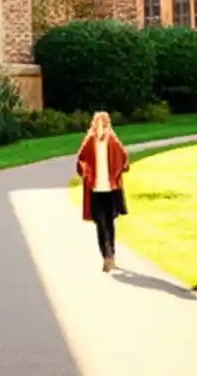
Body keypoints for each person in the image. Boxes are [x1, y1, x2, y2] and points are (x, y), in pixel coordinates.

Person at [75, 111, 130, 272]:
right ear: (94, 124)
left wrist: (118, 173)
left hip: (110, 190)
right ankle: (106, 256)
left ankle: (111, 253)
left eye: (104, 123)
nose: (101, 126)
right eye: (98, 123)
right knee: (100, 223)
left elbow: (124, 158)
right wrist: (86, 173)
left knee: (110, 222)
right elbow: (80, 158)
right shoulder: (90, 140)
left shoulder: (112, 140)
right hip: (96, 190)